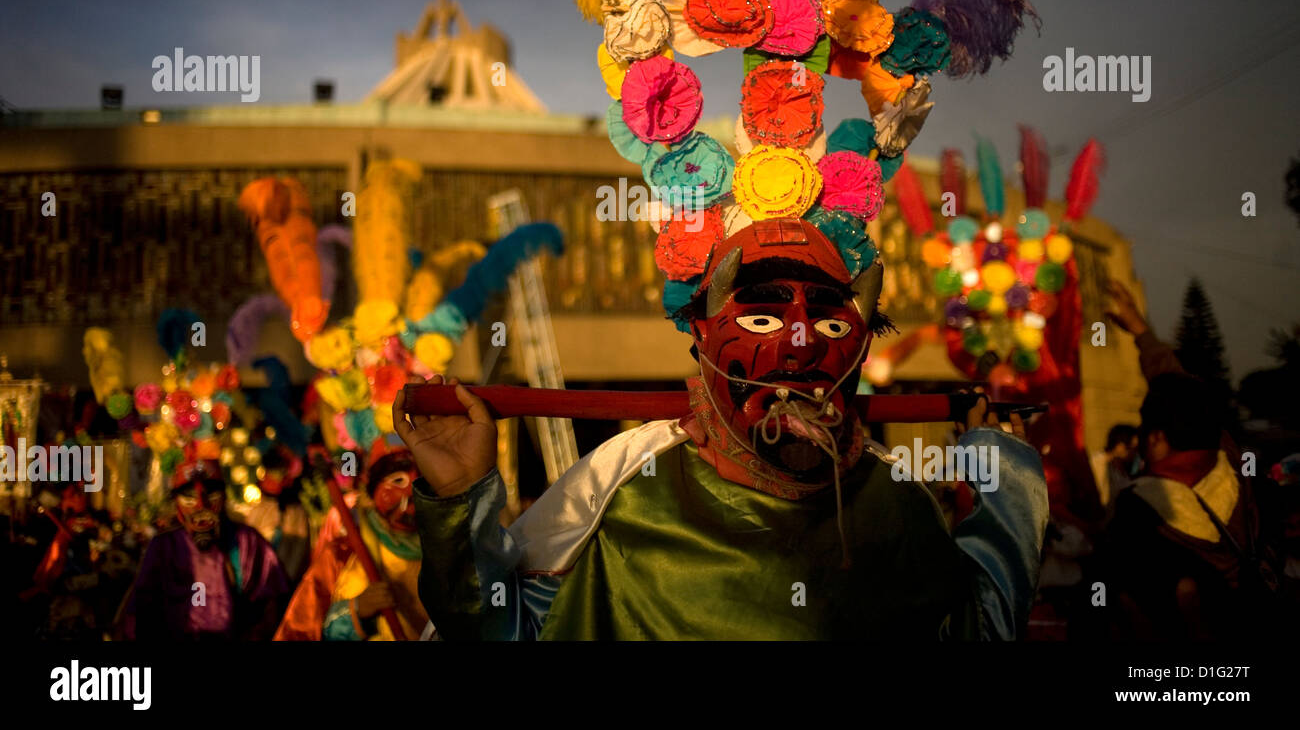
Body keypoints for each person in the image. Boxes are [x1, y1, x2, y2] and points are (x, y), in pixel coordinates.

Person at [399, 219, 1049, 640]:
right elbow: (496, 632)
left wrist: (1007, 472)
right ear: (703, 341)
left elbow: (979, 633)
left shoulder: (897, 499)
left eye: (827, 322)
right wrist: (462, 505)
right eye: (763, 319)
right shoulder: (628, 478)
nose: (799, 348)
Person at [1100, 280, 1275, 638]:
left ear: (1157, 438)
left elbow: (1121, 600)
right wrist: (1142, 333)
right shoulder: (1228, 459)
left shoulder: (1139, 507)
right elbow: (1180, 390)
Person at [275, 443, 429, 640]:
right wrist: (358, 610)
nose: (410, 494)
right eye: (399, 480)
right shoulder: (342, 553)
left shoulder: (446, 544)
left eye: (422, 482)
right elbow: (303, 625)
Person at [123, 459, 289, 640]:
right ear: (176, 504)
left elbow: (273, 604)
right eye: (189, 497)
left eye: (211, 495)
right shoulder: (164, 547)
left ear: (224, 496)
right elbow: (141, 613)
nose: (201, 506)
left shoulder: (247, 541)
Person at [1090, 424, 1140, 511]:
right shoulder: (1098, 463)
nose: (1134, 453)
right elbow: (1101, 500)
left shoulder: (1121, 468)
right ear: (1119, 446)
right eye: (1132, 448)